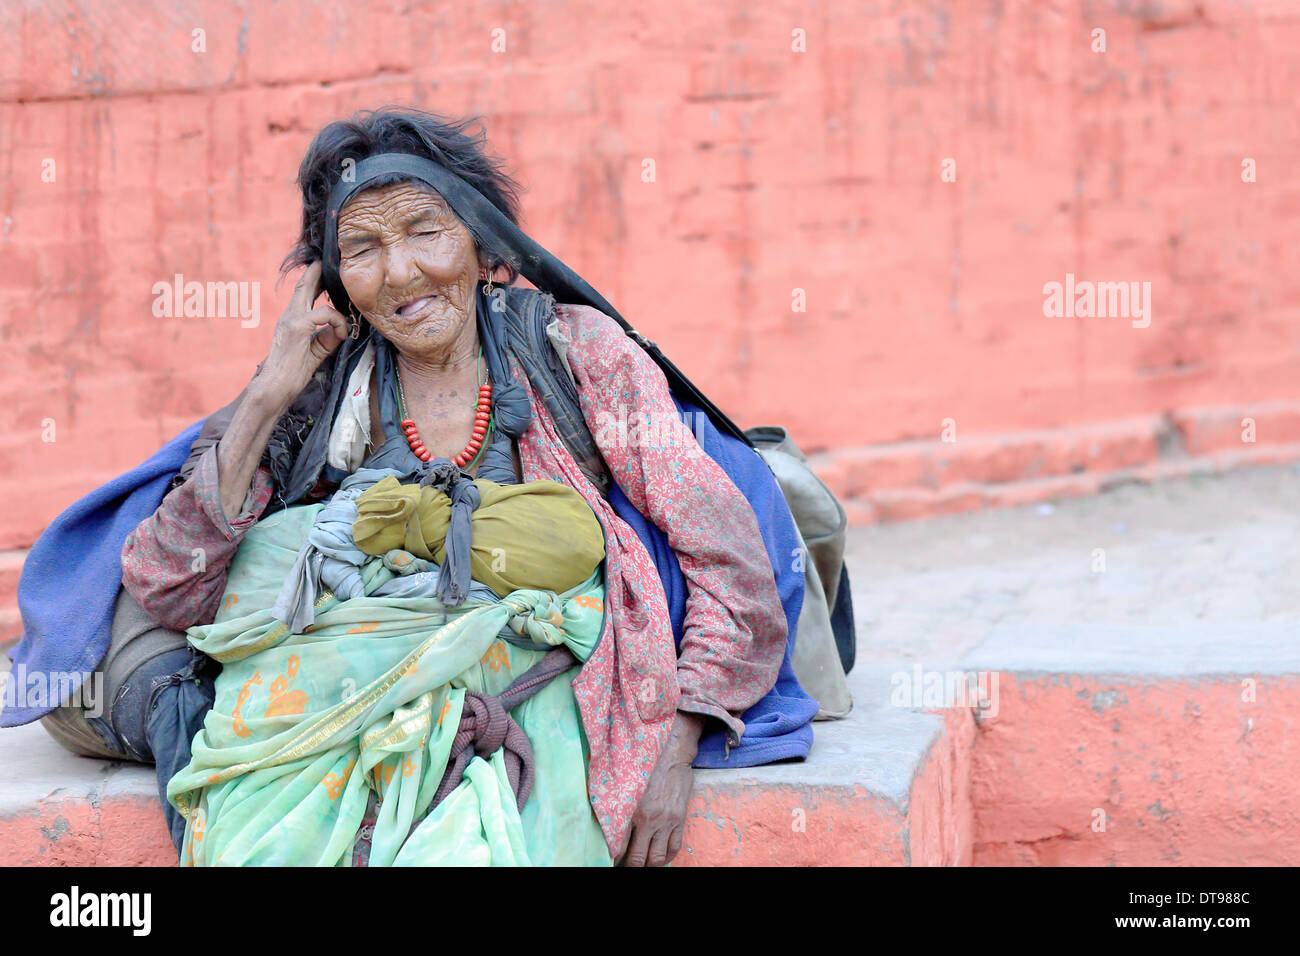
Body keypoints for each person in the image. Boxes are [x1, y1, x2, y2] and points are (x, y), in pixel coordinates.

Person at [51, 107, 788, 866]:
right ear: (334, 280)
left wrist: (679, 739)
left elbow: (727, 555)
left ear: (481, 242)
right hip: (350, 708)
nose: (400, 273)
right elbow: (169, 585)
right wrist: (269, 392)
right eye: (362, 249)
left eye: (425, 231)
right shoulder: (322, 391)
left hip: (529, 700)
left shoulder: (575, 353)